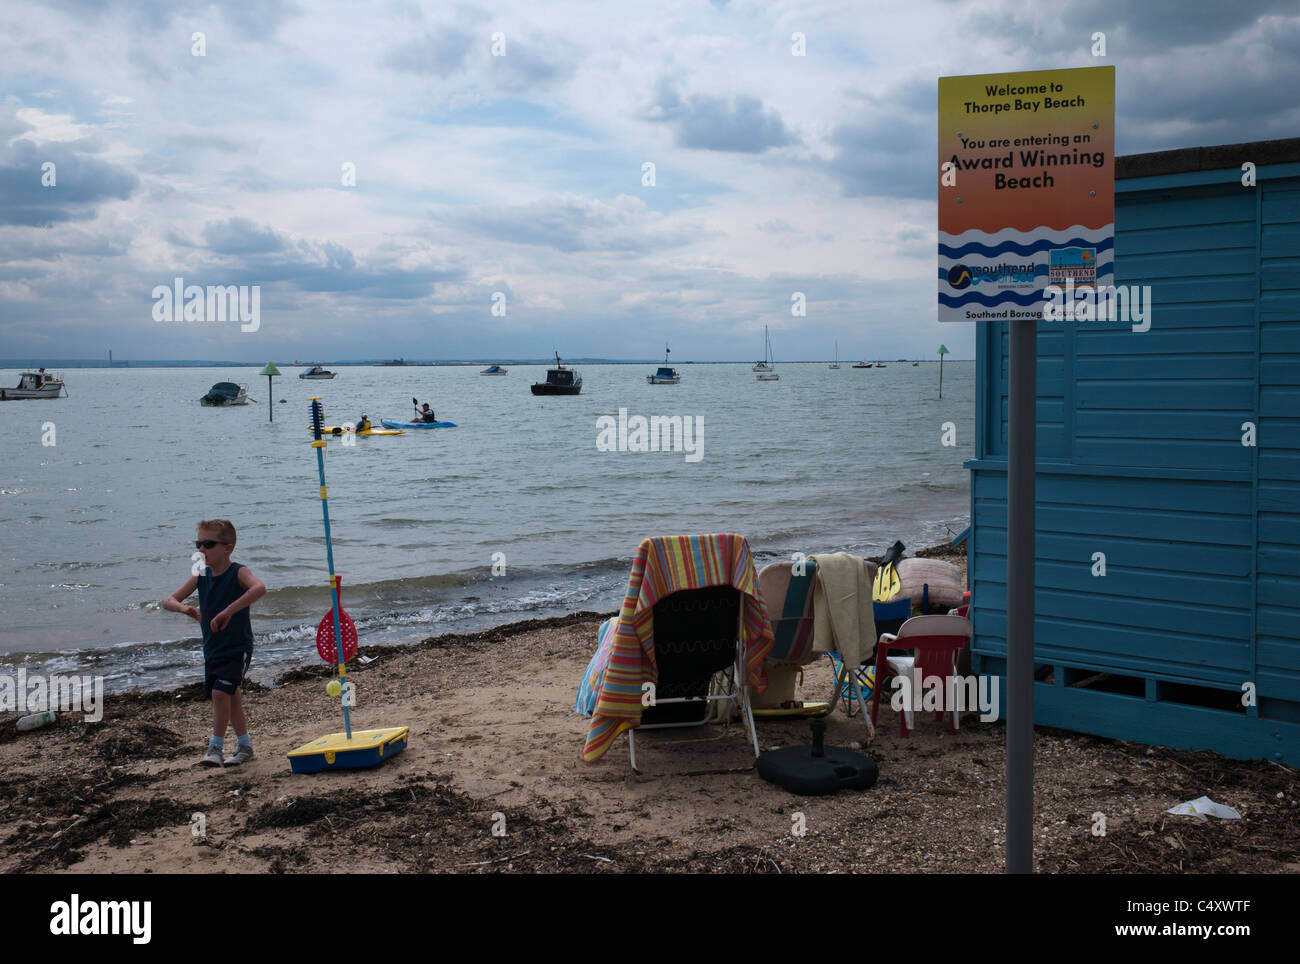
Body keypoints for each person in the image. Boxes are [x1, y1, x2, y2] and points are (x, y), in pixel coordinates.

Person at [163, 519, 266, 767]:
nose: (201, 550)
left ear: (227, 547)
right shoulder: (200, 575)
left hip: (237, 647)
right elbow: (168, 600)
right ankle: (245, 746)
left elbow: (259, 588)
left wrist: (229, 611)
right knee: (231, 697)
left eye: (208, 544)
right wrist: (184, 607)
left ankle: (215, 748)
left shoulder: (238, 572)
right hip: (212, 649)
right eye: (198, 544)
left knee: (220, 693)